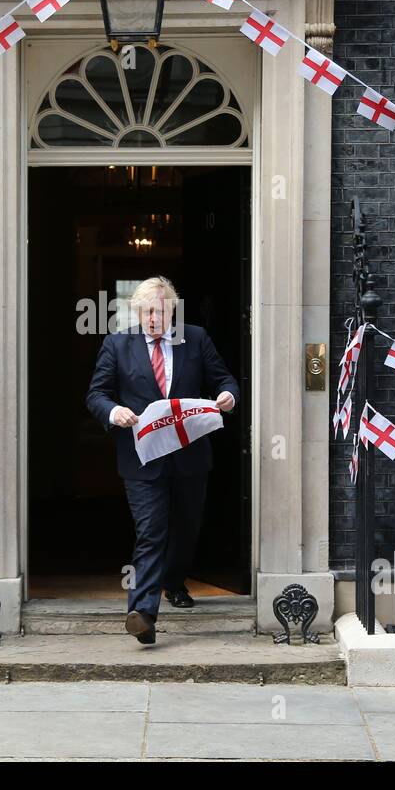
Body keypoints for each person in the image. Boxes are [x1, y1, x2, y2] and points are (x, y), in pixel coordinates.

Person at [85, 276, 239, 645]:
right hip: (142, 458)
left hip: (189, 457)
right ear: (137, 312)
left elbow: (225, 380)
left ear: (172, 310)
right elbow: (96, 394)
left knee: (185, 527)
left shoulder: (196, 338)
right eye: (145, 311)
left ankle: (174, 581)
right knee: (151, 531)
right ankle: (143, 614)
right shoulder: (118, 344)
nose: (152, 317)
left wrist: (227, 396)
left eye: (159, 310)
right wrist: (114, 411)